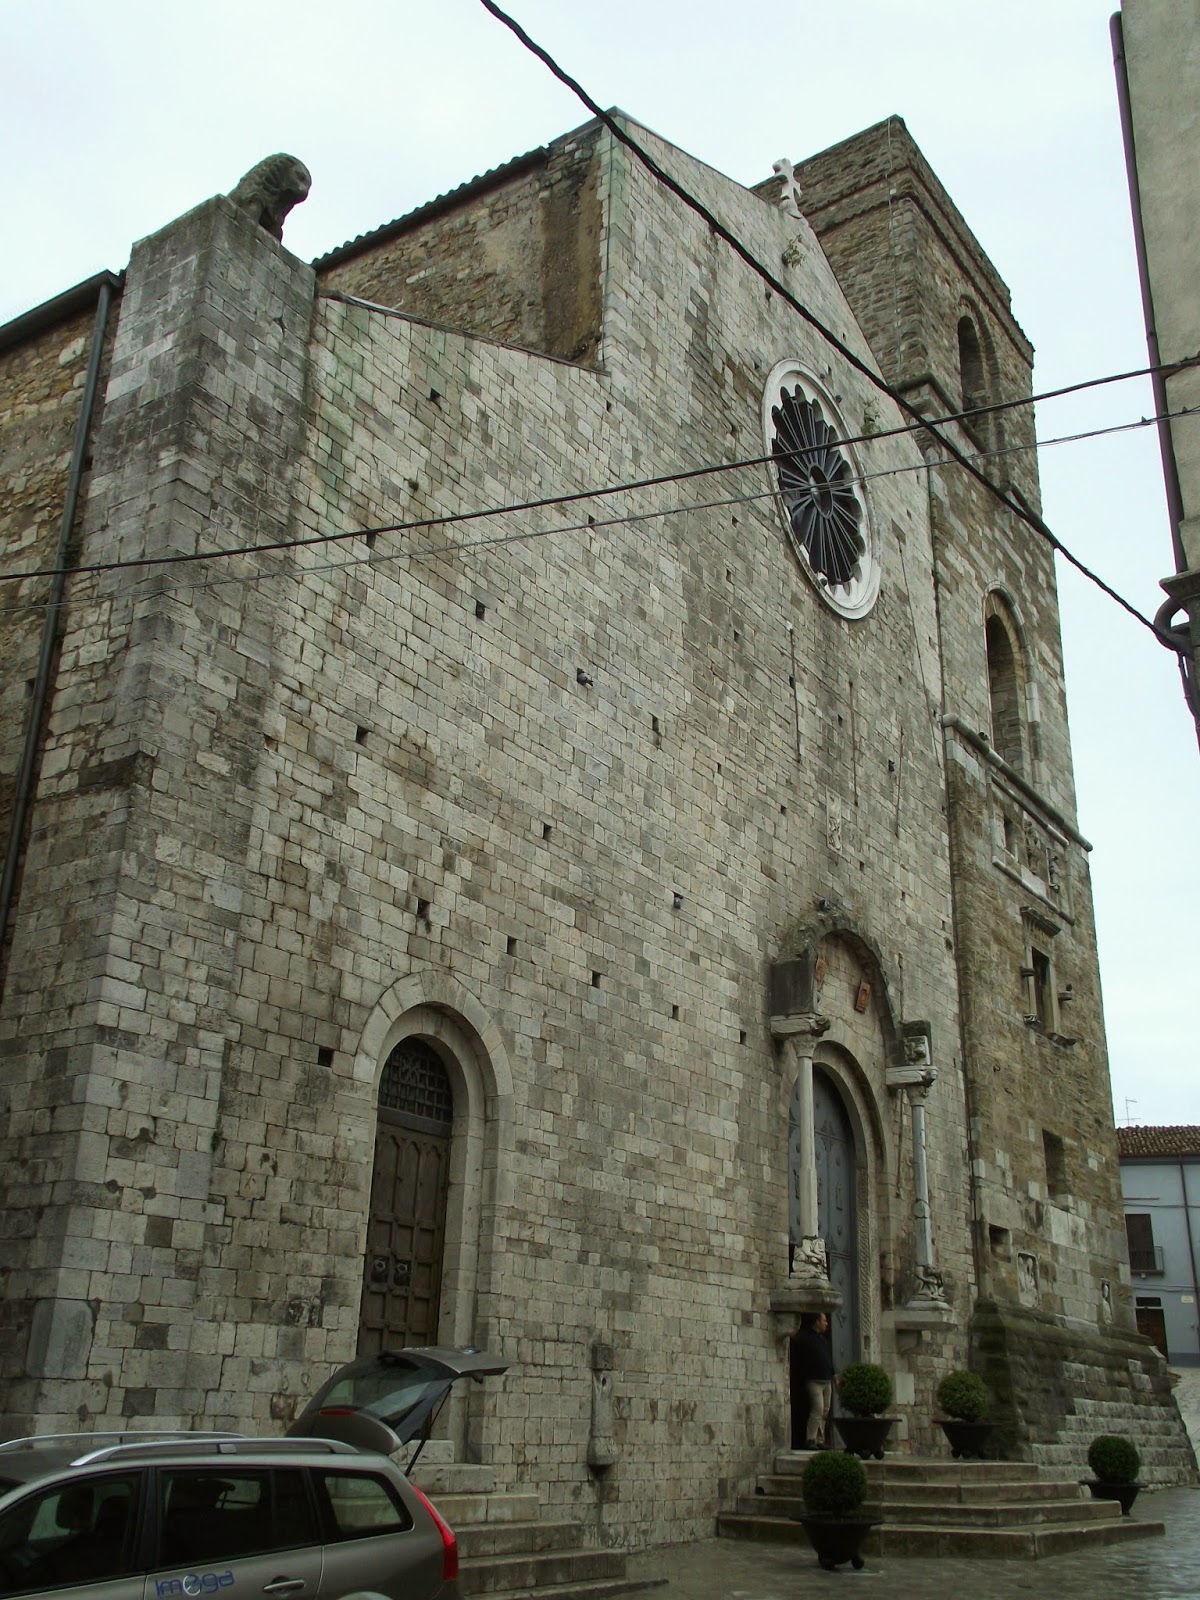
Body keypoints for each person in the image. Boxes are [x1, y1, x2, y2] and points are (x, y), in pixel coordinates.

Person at [790, 1311, 837, 1449]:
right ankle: (810, 1439)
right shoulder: (805, 1338)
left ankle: (820, 1440)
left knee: (825, 1411)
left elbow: (829, 1360)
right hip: (814, 1380)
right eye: (824, 1320)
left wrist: (834, 1375)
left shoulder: (823, 1340)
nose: (826, 1323)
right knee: (818, 1408)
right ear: (816, 1322)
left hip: (826, 1380)